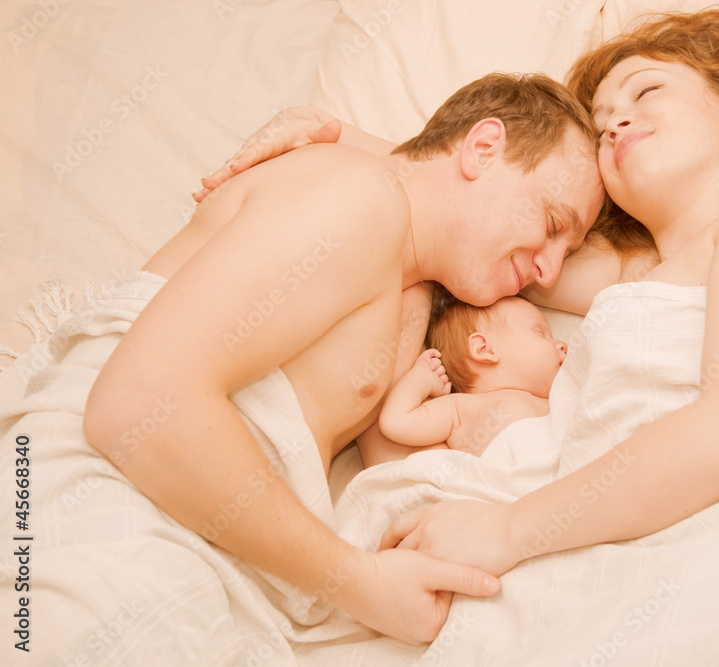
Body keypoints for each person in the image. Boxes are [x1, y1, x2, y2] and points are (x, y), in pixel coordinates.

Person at [198, 7, 719, 662]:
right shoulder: (635, 280)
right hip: (654, 559)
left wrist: (504, 530)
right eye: (601, 126)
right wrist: (337, 135)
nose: (616, 124)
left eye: (645, 91)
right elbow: (466, 205)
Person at [76, 71, 605, 645]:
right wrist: (364, 584)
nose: (550, 270)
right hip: (107, 519)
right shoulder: (359, 196)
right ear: (482, 148)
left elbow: (644, 272)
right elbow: (134, 405)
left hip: (200, 544)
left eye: (566, 251)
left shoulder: (408, 273)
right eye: (553, 226)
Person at [377, 296, 566, 460]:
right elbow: (395, 421)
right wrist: (423, 377)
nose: (562, 344)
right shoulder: (460, 408)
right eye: (541, 334)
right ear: (484, 349)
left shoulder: (560, 399)